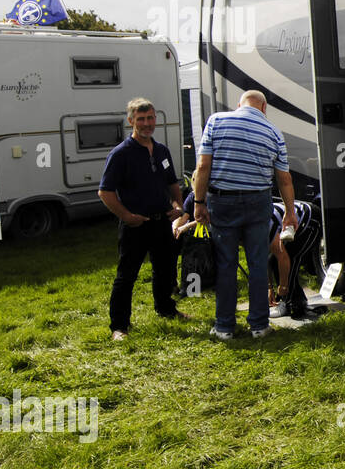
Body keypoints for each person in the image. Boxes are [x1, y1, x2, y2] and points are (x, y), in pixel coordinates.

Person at [192, 90, 296, 339]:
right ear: (263, 108)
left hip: (223, 201)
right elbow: (284, 179)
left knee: (226, 263)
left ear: (239, 105)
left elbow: (203, 166)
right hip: (258, 201)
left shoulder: (216, 121)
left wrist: (198, 202)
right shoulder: (274, 132)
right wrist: (290, 212)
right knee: (258, 263)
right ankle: (259, 326)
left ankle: (224, 327)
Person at [97, 97, 187, 340]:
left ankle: (166, 309)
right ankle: (119, 326)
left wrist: (178, 205)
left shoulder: (161, 150)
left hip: (162, 222)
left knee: (165, 269)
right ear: (131, 121)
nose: (146, 124)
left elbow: (172, 182)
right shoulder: (121, 154)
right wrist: (126, 216)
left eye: (150, 118)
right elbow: (105, 192)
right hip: (135, 225)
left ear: (155, 119)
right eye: (141, 119)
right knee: (126, 276)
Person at [267, 199, 321, 319]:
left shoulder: (265, 225)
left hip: (310, 217)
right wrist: (269, 288)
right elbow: (263, 258)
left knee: (290, 258)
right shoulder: (251, 231)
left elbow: (283, 258)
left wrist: (283, 287)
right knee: (274, 260)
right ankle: (298, 301)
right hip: (293, 220)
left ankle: (288, 303)